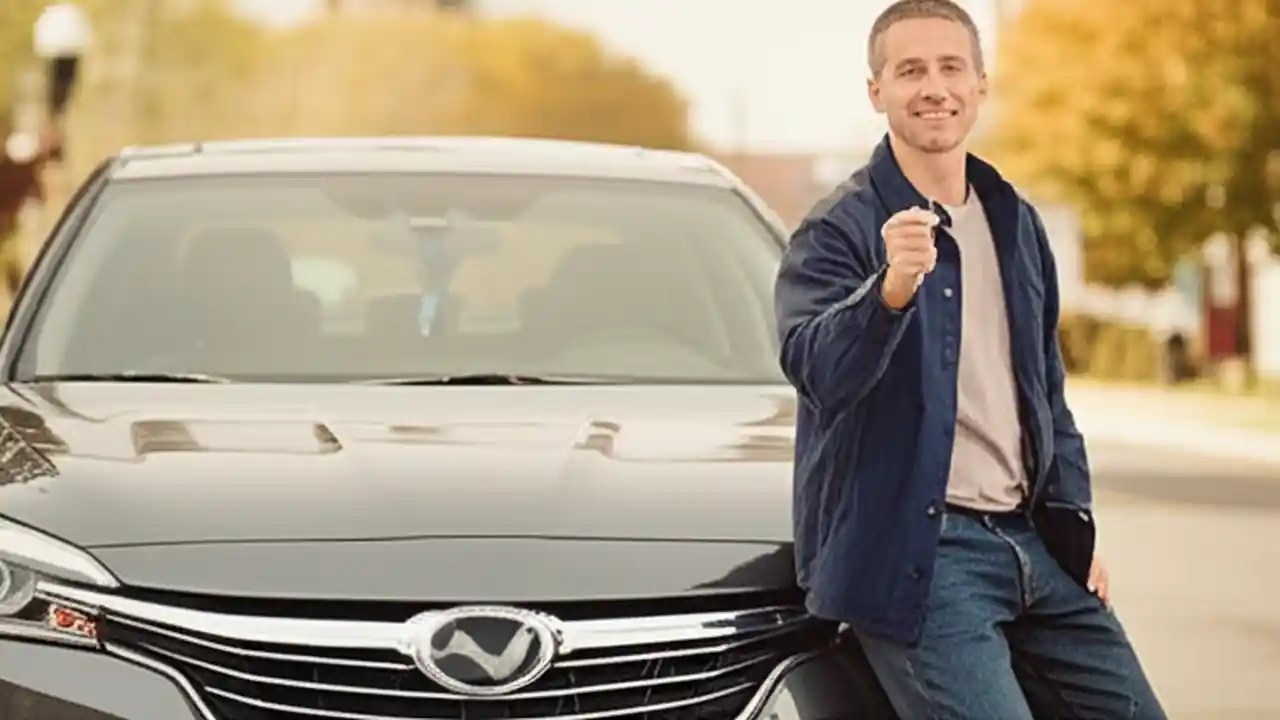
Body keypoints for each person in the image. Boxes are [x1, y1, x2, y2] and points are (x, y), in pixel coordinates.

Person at [773, 1, 1166, 718]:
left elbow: (1045, 393)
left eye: (952, 68)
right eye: (910, 70)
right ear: (877, 92)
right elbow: (817, 372)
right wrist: (888, 292)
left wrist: (1072, 529)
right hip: (921, 558)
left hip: (1031, 546)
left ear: (980, 86)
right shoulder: (839, 228)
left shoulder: (1013, 218)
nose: (934, 87)